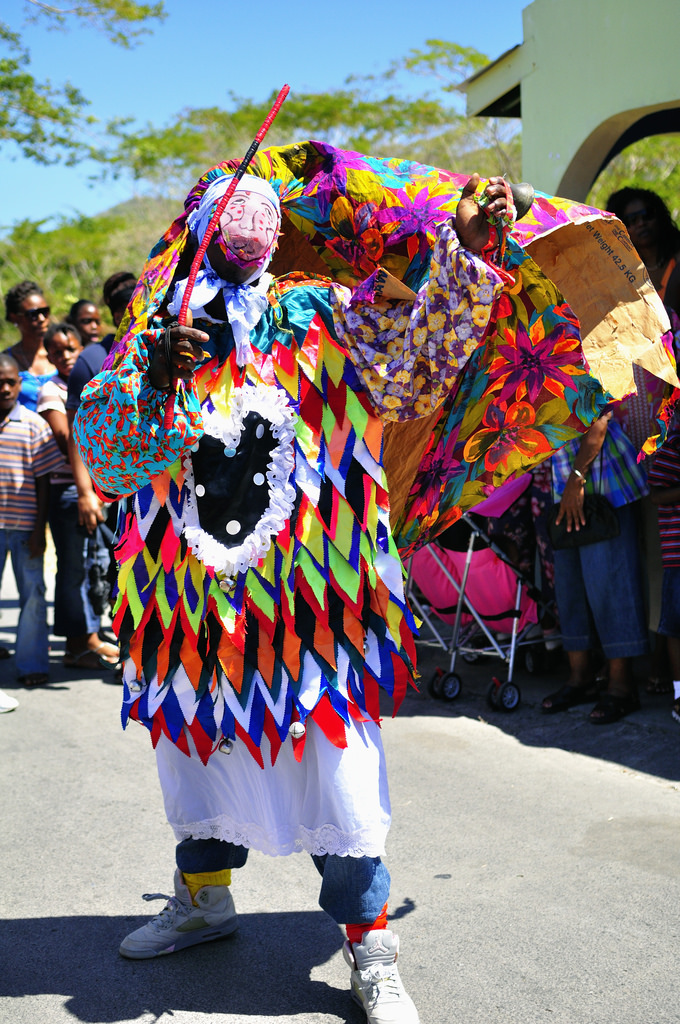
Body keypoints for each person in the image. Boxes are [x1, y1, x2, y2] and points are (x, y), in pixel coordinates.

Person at [75, 167, 525, 1022]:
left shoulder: (323, 312)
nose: (244, 234)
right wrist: (153, 378)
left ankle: (370, 947)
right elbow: (115, 455)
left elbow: (411, 377)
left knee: (338, 777)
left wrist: (466, 255)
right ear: (197, 229)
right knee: (199, 755)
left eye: (259, 227)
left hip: (314, 605)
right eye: (226, 225)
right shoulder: (155, 325)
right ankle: (204, 900)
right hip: (194, 609)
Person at [541, 410, 649, 723]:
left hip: (603, 484)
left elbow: (600, 420)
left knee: (611, 583)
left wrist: (576, 480)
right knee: (570, 586)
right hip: (565, 485)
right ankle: (580, 679)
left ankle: (621, 686)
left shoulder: (594, 359)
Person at [37, 323, 119, 670]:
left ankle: (90, 636)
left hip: (94, 486)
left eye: (71, 348)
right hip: (70, 489)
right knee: (74, 567)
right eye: (56, 352)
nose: (66, 356)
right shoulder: (51, 391)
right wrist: (88, 489)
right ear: (48, 356)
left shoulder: (93, 379)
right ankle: (77, 643)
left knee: (95, 564)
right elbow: (67, 437)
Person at [0, 353, 63, 686]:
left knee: (33, 597)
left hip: (26, 527)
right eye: (0, 383)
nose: (5, 388)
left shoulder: (34, 425)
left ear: (20, 383)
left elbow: (44, 482)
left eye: (11, 382)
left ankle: (32, 665)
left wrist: (40, 530)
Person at [648, 419, 680, 723]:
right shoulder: (673, 444)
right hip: (677, 555)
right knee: (675, 627)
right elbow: (656, 494)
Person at [607, 187, 680, 316]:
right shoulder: (621, 273)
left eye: (647, 215)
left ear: (659, 216)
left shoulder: (677, 259)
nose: (641, 223)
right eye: (632, 220)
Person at [3, 280, 56, 412]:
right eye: (33, 314)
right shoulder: (6, 361)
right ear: (14, 317)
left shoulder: (61, 354)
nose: (42, 319)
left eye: (45, 312)